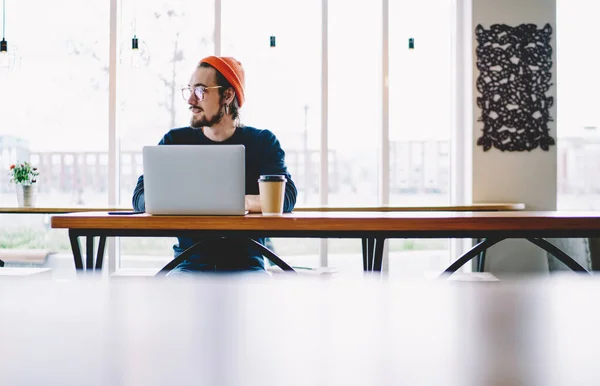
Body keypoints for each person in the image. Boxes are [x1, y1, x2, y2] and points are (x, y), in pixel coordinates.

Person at [132, 56, 298, 274]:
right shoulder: (175, 142)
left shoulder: (262, 143)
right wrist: (169, 202)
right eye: (189, 90)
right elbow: (140, 196)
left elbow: (286, 198)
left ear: (227, 95)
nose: (191, 100)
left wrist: (240, 203)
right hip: (188, 265)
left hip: (247, 266)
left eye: (200, 91)